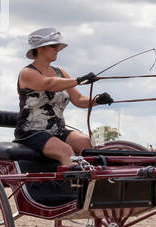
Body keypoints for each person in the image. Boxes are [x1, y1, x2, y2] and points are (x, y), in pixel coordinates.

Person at [16, 28, 112, 166]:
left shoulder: (60, 72)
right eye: (53, 46)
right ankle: (71, 185)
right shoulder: (27, 73)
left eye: (58, 47)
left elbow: (79, 100)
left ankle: (91, 185)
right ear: (40, 48)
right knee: (65, 151)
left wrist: (97, 101)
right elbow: (48, 84)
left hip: (58, 130)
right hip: (31, 132)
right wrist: (79, 80)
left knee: (86, 143)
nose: (57, 50)